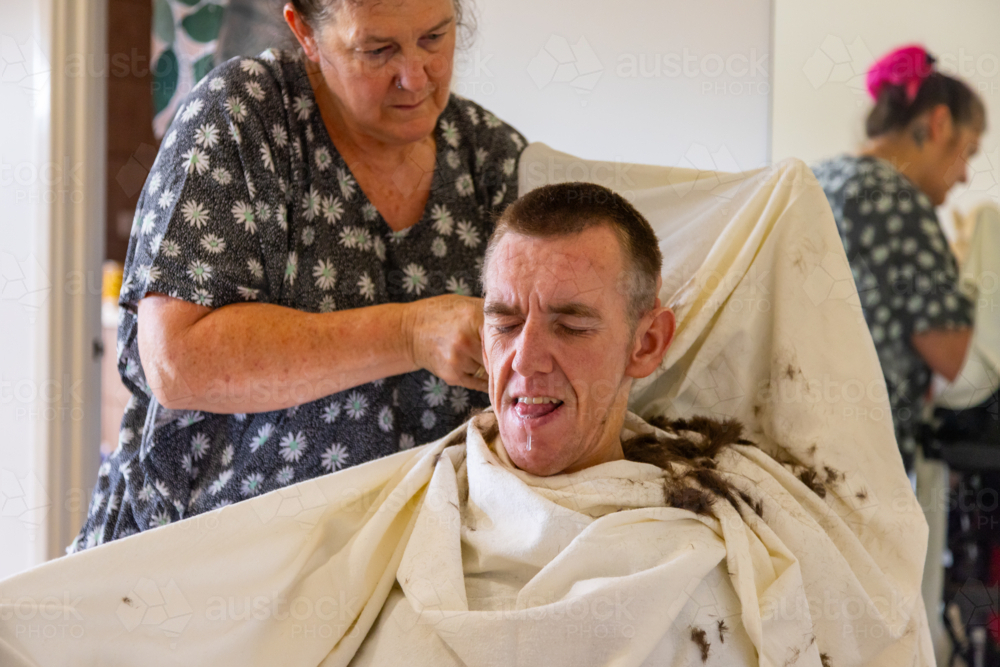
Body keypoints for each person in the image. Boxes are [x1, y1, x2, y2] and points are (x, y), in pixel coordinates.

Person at [0, 183, 933, 667]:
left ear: (649, 342)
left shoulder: (737, 546)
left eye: (572, 324)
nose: (525, 359)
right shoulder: (394, 524)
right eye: (503, 319)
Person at [72, 0, 526, 551]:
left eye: (434, 38)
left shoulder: (491, 158)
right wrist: (411, 333)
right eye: (377, 50)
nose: (414, 77)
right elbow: (178, 363)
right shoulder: (244, 118)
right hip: (207, 568)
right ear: (305, 33)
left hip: (410, 567)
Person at [811, 45, 989, 470]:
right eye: (969, 151)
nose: (965, 174)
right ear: (939, 123)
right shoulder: (897, 201)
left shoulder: (820, 178)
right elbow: (953, 358)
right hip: (861, 460)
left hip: (808, 438)